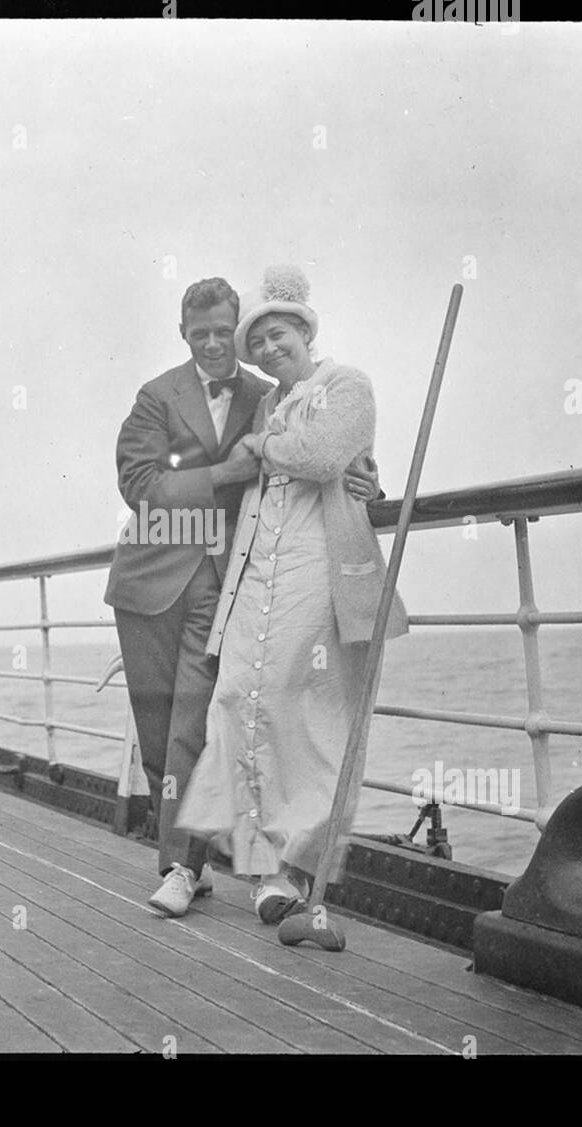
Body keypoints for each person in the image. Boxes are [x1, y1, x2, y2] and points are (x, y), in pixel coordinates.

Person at [104, 276, 381, 919]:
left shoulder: (267, 394)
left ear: (240, 334)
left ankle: (186, 863)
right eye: (196, 334)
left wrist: (366, 476)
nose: (210, 345)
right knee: (156, 735)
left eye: (221, 333)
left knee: (200, 718)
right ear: (182, 334)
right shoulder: (157, 396)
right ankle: (186, 860)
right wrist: (232, 469)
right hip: (150, 577)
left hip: (227, 579)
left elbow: (330, 449)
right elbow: (139, 484)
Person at [176, 265, 409, 926]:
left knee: (289, 700)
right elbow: (282, 459)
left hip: (316, 560)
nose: (271, 349)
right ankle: (258, 864)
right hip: (259, 567)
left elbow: (327, 456)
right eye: (261, 344)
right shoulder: (268, 405)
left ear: (305, 330)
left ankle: (292, 864)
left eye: (280, 335)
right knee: (236, 696)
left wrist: (265, 448)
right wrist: (267, 443)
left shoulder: (347, 383)